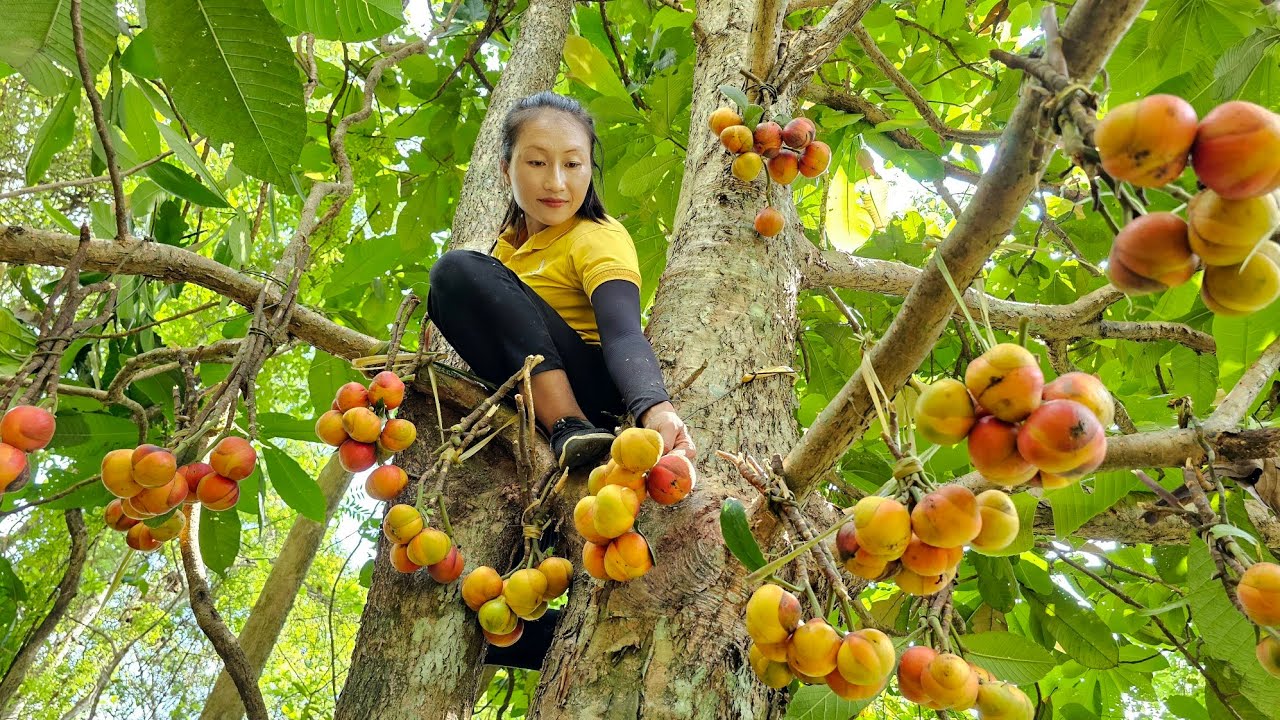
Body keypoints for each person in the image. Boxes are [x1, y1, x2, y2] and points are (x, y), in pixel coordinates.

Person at [427, 91, 696, 470]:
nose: (556, 182)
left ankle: (572, 425)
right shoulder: (503, 251)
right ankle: (560, 427)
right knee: (449, 285)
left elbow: (622, 332)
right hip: (519, 393)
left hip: (592, 388)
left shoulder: (597, 234)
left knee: (456, 268)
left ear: (589, 170)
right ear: (506, 170)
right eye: (537, 162)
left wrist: (655, 408)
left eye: (572, 164)